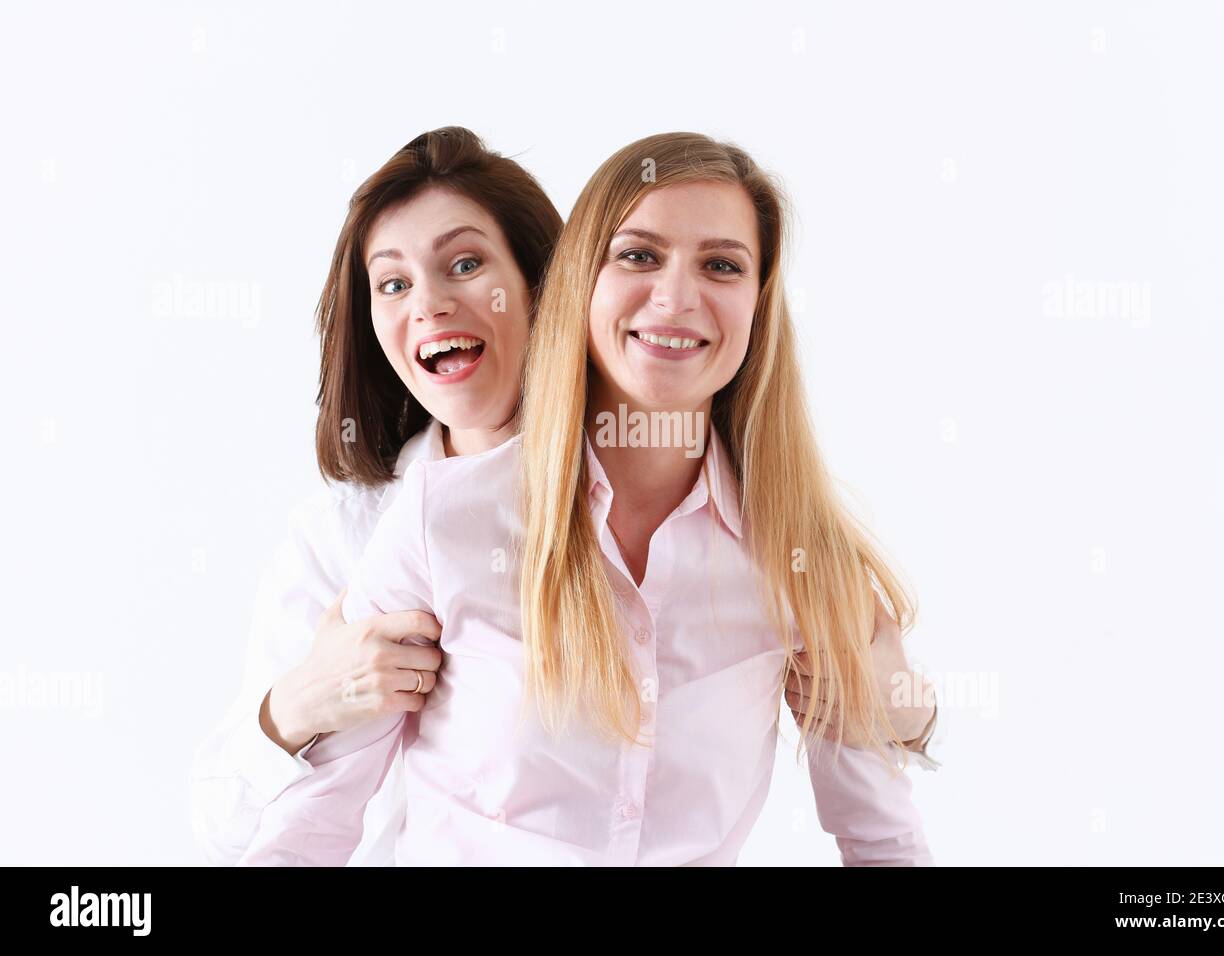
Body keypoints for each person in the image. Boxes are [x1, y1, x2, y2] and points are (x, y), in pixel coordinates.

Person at [236, 132, 939, 866]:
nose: (675, 296)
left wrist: (907, 711)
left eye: (723, 265)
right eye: (638, 255)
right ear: (578, 284)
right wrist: (287, 710)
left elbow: (883, 839)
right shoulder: (439, 519)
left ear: (760, 307)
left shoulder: (800, 557)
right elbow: (307, 831)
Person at [189, 127, 563, 865]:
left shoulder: (643, 492)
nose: (428, 303)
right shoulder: (345, 536)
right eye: (393, 283)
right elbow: (220, 829)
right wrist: (308, 700)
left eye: (464, 264)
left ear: (541, 285)